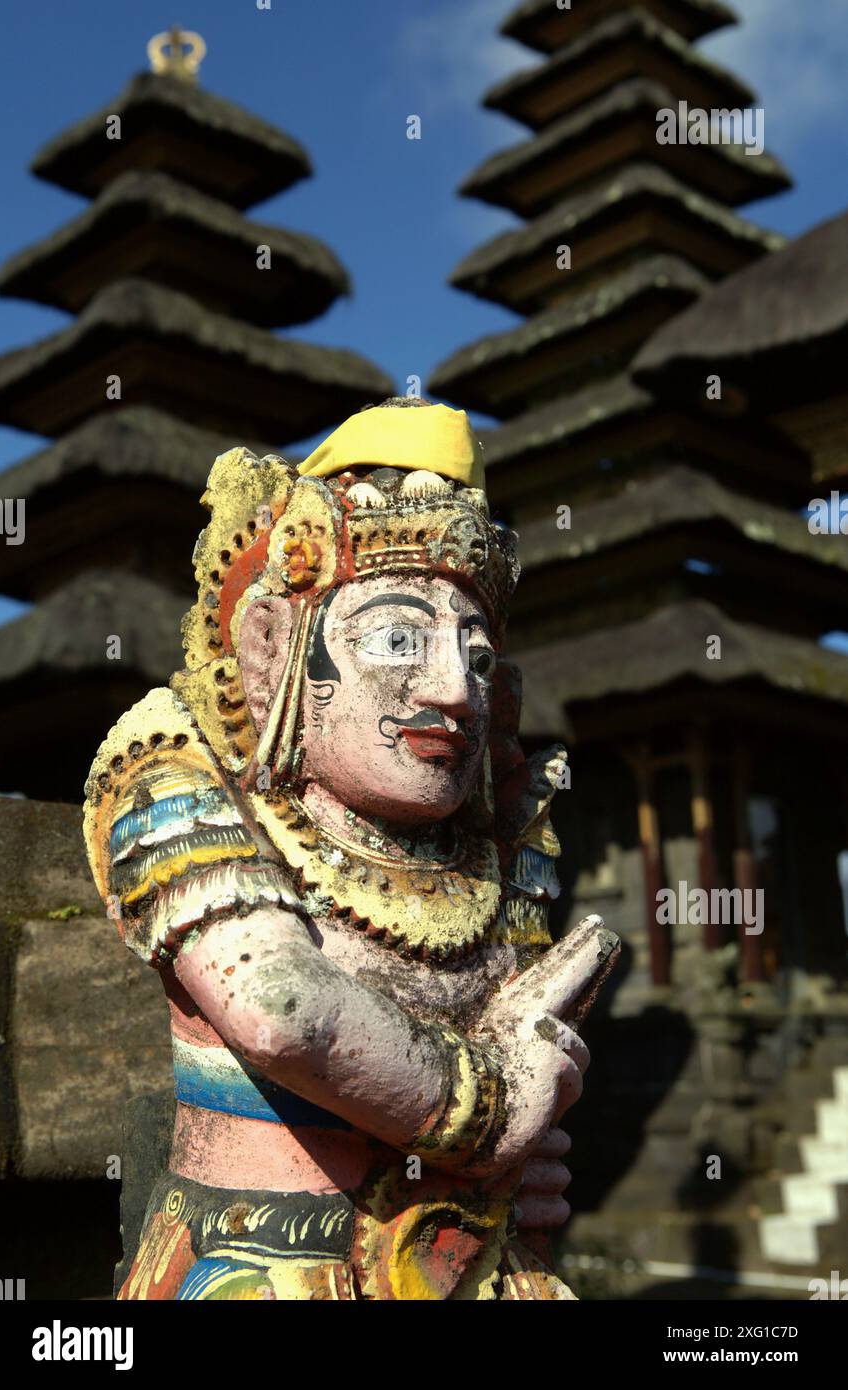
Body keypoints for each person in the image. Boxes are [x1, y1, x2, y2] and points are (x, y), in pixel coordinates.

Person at [84, 397, 618, 1300]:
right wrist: (494, 1116)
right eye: (398, 637)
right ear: (276, 649)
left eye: (478, 654)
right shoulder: (177, 765)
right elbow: (280, 1007)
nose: (455, 688)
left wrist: (523, 1160)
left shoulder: (495, 830)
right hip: (270, 1267)